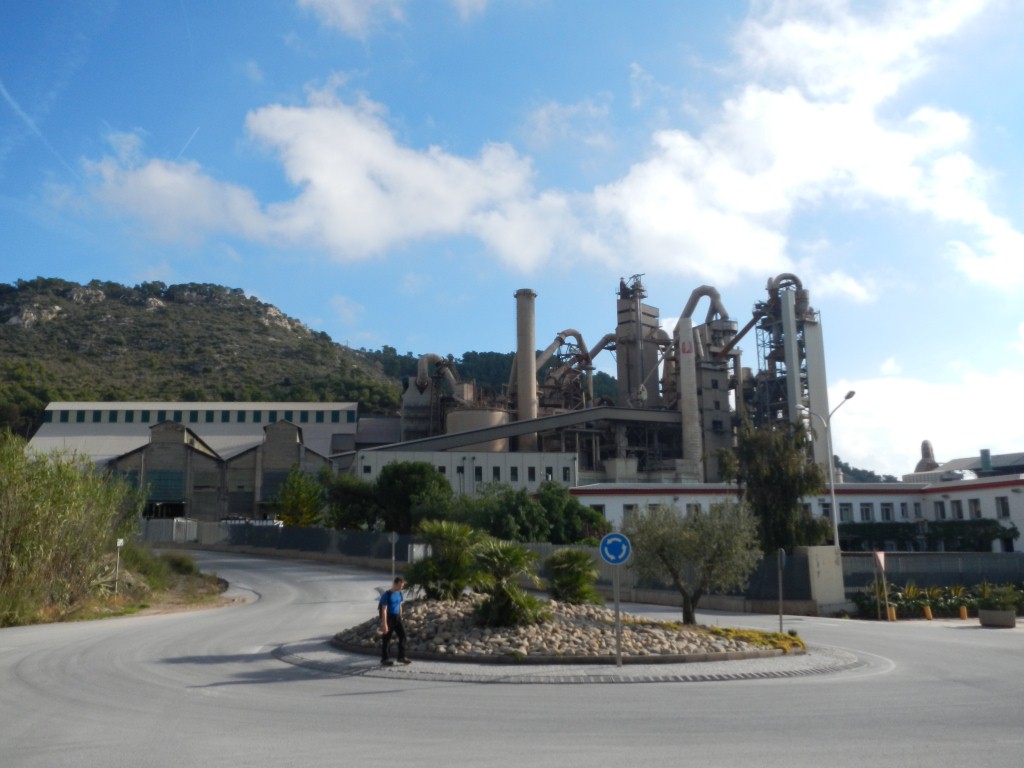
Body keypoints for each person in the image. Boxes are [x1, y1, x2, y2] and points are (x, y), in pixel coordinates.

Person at [378, 576, 410, 666]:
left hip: (397, 618)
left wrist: (401, 616)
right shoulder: (387, 595)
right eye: (400, 586)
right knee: (387, 639)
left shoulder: (399, 594)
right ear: (395, 584)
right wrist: (384, 624)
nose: (401, 588)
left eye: (402, 586)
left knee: (403, 636)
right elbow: (384, 609)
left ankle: (401, 657)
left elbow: (399, 604)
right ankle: (385, 658)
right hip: (388, 618)